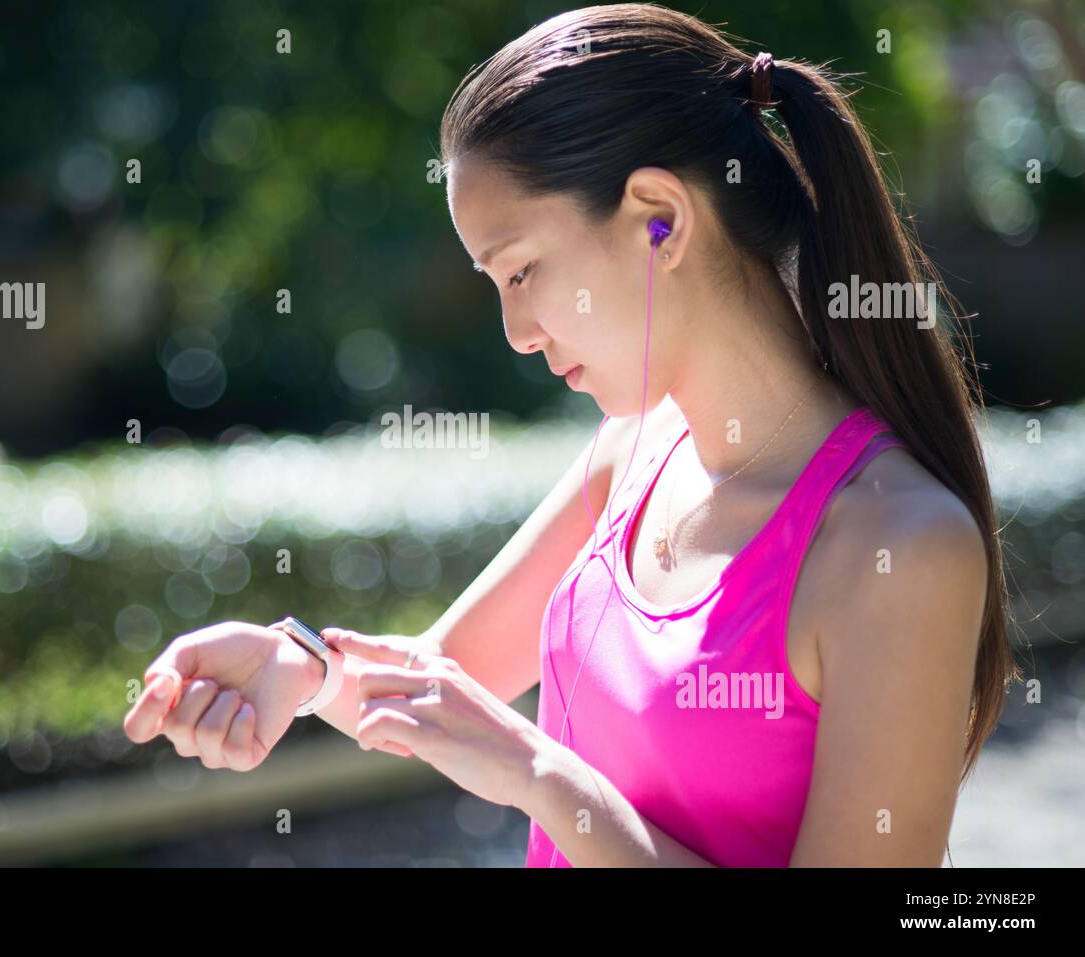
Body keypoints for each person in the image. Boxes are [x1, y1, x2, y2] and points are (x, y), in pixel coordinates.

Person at [123, 4, 1017, 867]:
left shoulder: (899, 545)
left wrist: (546, 778)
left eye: (520, 271)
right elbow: (445, 682)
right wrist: (300, 664)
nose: (515, 330)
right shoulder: (633, 453)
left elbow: (512, 751)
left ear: (657, 218)